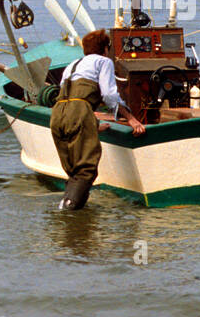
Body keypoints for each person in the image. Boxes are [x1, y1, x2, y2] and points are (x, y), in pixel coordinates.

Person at [51, 28, 146, 210]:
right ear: (105, 49)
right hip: (78, 113)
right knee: (86, 170)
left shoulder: (72, 65)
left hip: (57, 114)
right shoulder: (104, 61)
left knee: (73, 169)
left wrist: (92, 126)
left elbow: (72, 99)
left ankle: (65, 208)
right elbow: (109, 95)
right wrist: (132, 119)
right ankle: (70, 215)